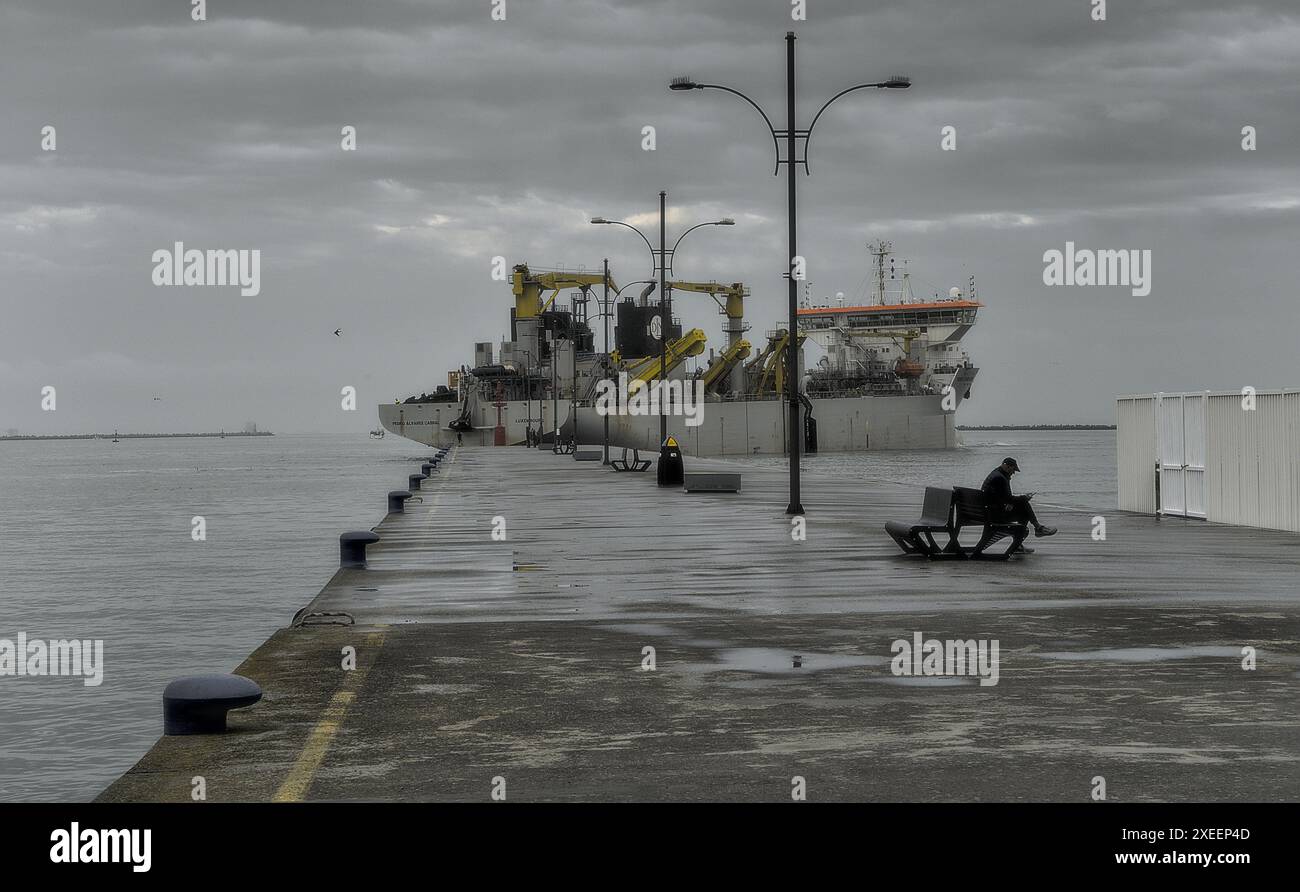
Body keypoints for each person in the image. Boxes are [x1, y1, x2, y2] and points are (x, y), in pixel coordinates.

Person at [981, 458, 1057, 548]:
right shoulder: (1000, 478)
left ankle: (1034, 531)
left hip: (988, 511)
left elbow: (1002, 497)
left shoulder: (996, 474)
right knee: (1024, 507)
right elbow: (1008, 498)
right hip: (994, 516)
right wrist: (1024, 498)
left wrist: (1010, 502)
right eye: (1013, 469)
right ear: (1006, 466)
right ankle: (1036, 530)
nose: (1013, 473)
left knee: (1022, 504)